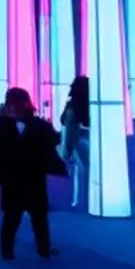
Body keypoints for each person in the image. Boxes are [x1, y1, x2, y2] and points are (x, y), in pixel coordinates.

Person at [0, 87, 61, 260]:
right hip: (15, 177)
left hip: (31, 176)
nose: (14, 107)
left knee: (36, 216)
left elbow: (52, 141)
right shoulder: (3, 124)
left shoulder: (37, 124)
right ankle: (9, 251)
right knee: (14, 217)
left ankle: (42, 249)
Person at [59, 76, 91, 209]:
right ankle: (88, 199)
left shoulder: (72, 107)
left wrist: (67, 150)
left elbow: (66, 125)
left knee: (80, 171)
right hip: (91, 138)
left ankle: (79, 200)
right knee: (88, 170)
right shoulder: (90, 104)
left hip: (79, 139)